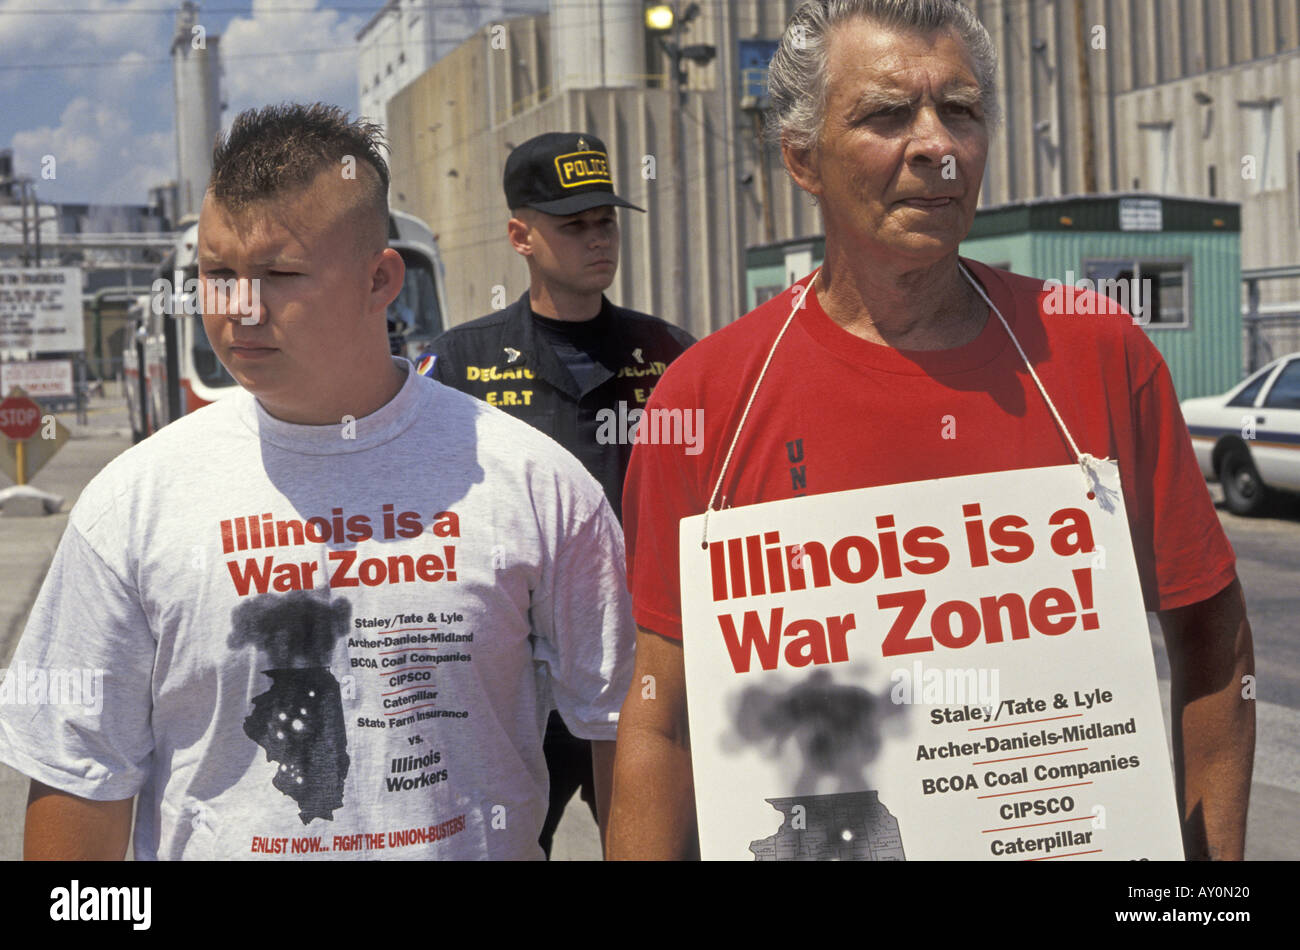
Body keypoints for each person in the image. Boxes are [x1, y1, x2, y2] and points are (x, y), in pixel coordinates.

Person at [607, 0, 1254, 860]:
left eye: (961, 110)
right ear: (802, 158)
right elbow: (662, 717)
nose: (937, 144)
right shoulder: (708, 398)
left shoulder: (1099, 352)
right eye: (885, 114)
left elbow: (1215, 644)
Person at [0, 103, 634, 861]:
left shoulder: (535, 485)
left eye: (278, 274)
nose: (237, 308)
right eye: (217, 274)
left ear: (379, 280)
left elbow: (628, 731)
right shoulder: (129, 507)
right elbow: (79, 781)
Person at [424, 131, 695, 856]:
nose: (597, 239)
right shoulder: (462, 363)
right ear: (521, 235)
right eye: (573, 226)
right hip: (516, 683)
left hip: (645, 673)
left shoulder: (671, 355)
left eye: (605, 221)